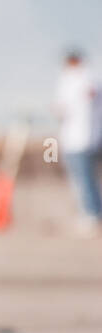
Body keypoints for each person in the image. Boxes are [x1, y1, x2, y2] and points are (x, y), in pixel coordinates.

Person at [54, 50, 102, 234]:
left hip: (82, 139)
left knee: (84, 179)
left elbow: (73, 105)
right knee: (86, 179)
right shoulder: (81, 79)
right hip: (83, 138)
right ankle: (92, 212)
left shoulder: (82, 80)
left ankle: (91, 214)